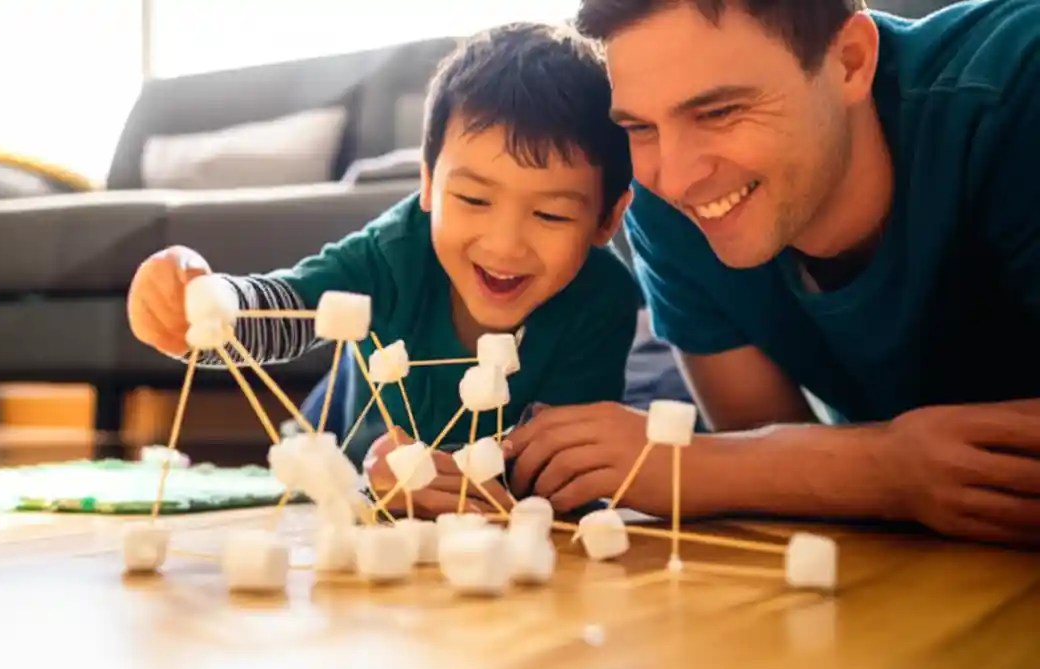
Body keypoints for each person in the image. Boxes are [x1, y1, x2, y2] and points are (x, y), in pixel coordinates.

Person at [505, 0, 1040, 546]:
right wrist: (882, 470)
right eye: (639, 126)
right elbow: (780, 477)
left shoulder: (1017, 84)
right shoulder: (662, 205)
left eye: (718, 113)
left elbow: (769, 466)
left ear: (850, 61)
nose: (677, 177)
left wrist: (700, 467)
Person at [128, 22, 641, 517]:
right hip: (339, 459)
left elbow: (562, 474)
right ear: (427, 182)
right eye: (472, 198)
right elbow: (291, 306)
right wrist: (206, 308)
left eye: (550, 214)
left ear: (607, 218)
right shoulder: (395, 249)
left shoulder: (604, 302)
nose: (505, 245)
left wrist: (464, 487)